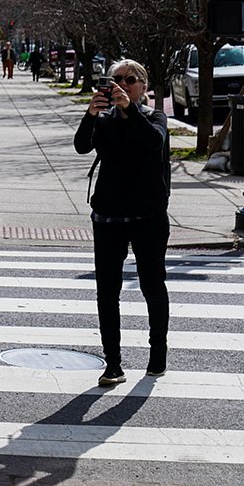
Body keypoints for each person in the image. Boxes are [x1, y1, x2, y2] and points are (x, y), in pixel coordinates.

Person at [74, 58, 170, 387]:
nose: (123, 84)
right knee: (107, 292)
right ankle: (112, 363)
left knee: (152, 286)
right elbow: (81, 146)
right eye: (116, 79)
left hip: (148, 216)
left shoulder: (154, 117)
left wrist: (129, 111)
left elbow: (153, 143)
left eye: (131, 79)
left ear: (144, 87)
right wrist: (90, 114)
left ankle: (157, 353)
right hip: (108, 216)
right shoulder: (103, 119)